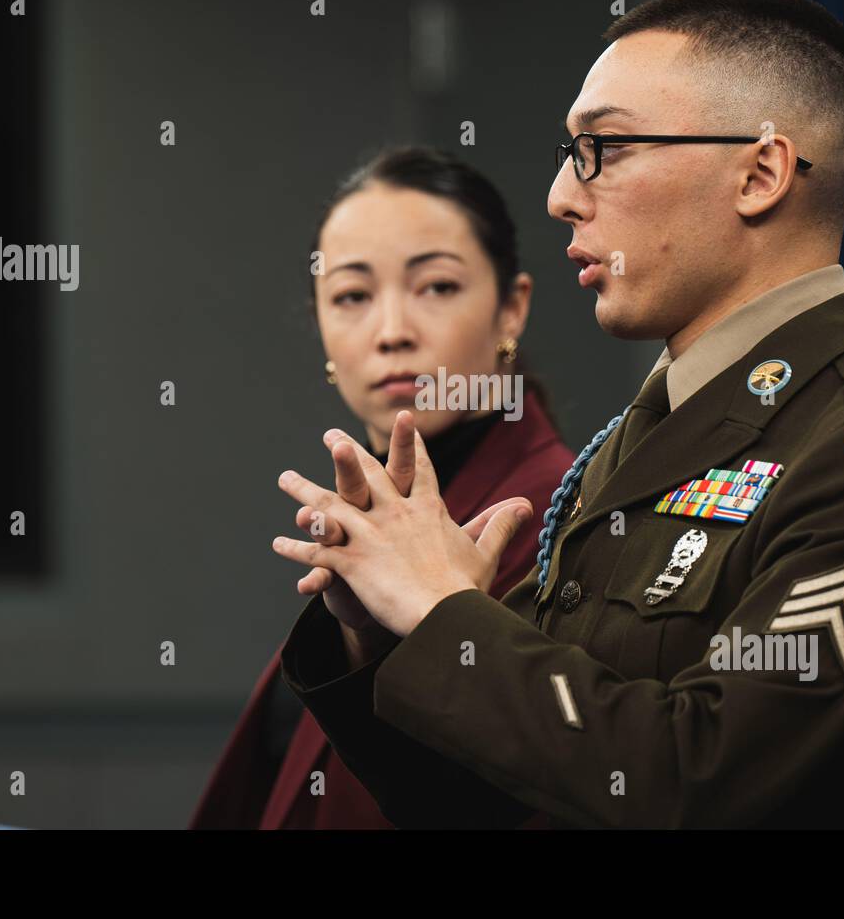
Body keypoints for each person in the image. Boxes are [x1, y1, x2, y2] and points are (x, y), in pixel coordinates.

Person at [268, 0, 844, 828]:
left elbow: (693, 785)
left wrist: (446, 616)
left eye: (606, 147)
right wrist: (380, 634)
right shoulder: (641, 437)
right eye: (570, 151)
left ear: (761, 173)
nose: (562, 192)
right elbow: (501, 790)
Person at [190, 147, 574, 829]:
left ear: (511, 309)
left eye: (438, 287)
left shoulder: (549, 514)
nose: (392, 332)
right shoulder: (371, 517)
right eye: (352, 296)